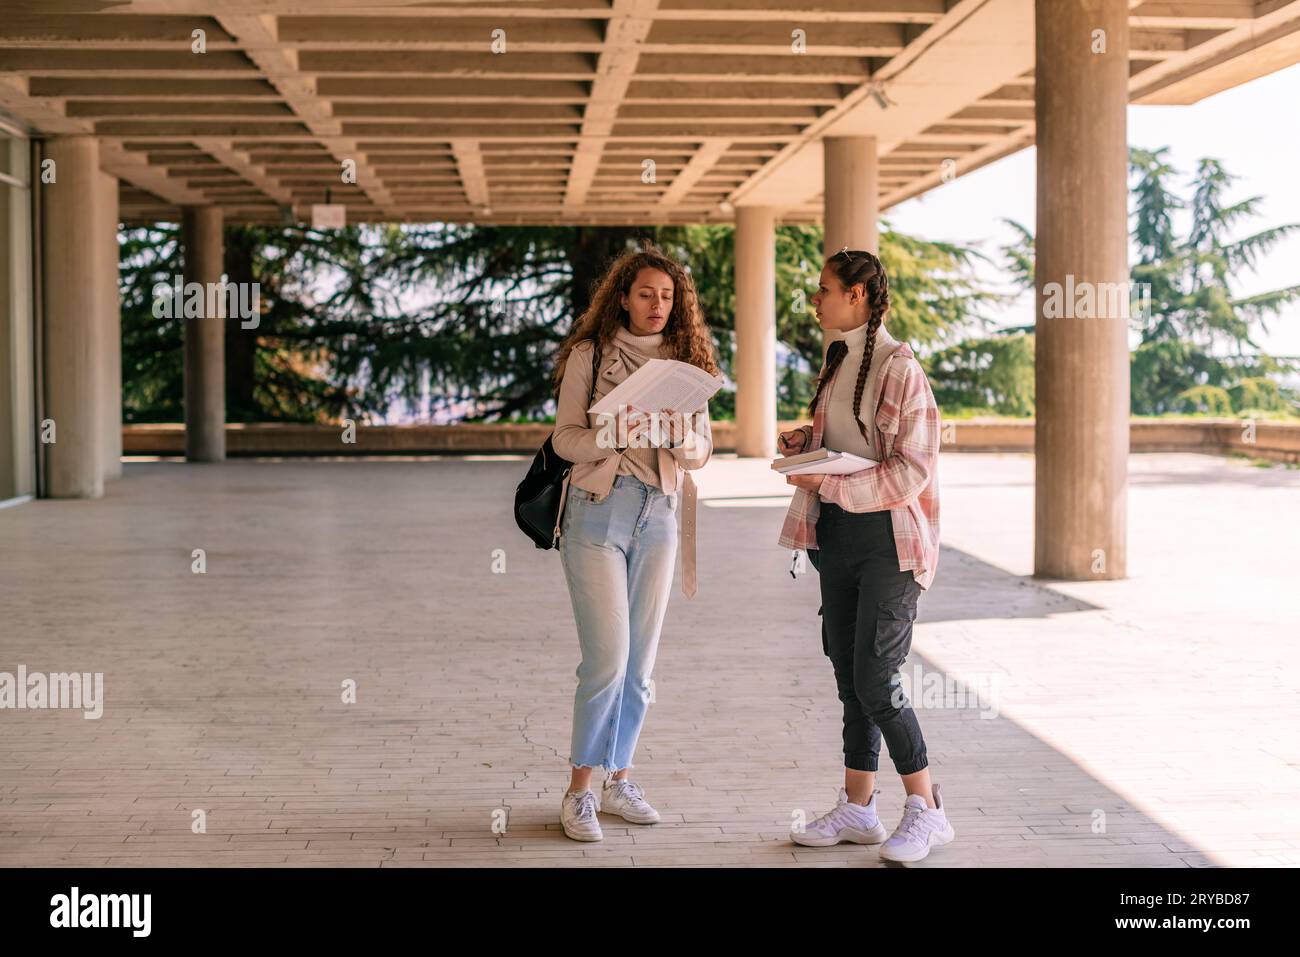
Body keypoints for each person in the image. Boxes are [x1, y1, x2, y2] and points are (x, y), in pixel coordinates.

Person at [777, 246, 951, 863]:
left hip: (890, 543)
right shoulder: (840, 357)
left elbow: (912, 471)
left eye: (823, 289)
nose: (816, 299)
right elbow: (848, 441)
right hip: (838, 538)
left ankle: (928, 812)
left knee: (878, 678)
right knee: (851, 679)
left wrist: (825, 482)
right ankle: (858, 809)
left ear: (855, 296)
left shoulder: (901, 369)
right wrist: (808, 441)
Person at [549, 243, 719, 842]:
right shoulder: (590, 355)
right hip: (597, 513)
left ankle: (620, 779)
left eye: (667, 296)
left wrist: (677, 437)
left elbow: (702, 449)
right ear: (622, 296)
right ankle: (579, 793)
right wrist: (611, 435)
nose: (657, 305)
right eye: (645, 293)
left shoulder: (686, 361)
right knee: (607, 661)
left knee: (641, 670)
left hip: (661, 517)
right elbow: (564, 440)